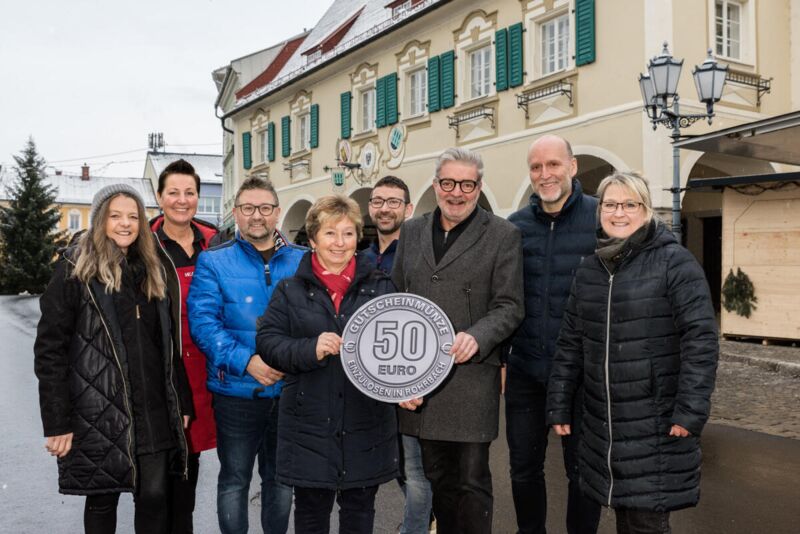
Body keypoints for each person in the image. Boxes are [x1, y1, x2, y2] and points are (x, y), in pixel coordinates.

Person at [546, 172, 719, 534]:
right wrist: (559, 403)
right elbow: (570, 343)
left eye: (629, 204)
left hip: (654, 423)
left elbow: (700, 340)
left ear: (645, 210)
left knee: (644, 521)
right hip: (601, 424)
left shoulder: (675, 263)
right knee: (623, 513)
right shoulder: (590, 269)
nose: (619, 212)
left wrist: (689, 411)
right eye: (610, 204)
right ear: (600, 211)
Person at [34, 183, 193, 534]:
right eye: (115, 216)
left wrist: (180, 399)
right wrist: (57, 421)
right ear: (100, 220)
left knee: (154, 495)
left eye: (133, 216)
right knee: (103, 499)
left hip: (152, 405)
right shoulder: (75, 269)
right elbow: (50, 349)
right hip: (100, 404)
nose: (125, 224)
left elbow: (168, 343)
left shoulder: (153, 268)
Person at [393, 147, 525, 534]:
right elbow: (397, 299)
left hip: (470, 382)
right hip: (419, 383)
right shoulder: (413, 230)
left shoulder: (503, 234)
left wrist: (478, 335)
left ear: (478, 187)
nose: (457, 192)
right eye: (448, 182)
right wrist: (399, 377)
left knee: (471, 483)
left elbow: (510, 306)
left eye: (467, 184)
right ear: (436, 185)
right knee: (436, 481)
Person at [255, 195, 399, 534]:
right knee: (310, 515)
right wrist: (311, 348)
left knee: (359, 514)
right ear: (314, 238)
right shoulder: (289, 290)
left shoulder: (380, 287)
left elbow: (400, 350)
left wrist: (405, 386)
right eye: (330, 233)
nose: (340, 243)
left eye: (348, 234)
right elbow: (269, 343)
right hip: (309, 425)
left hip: (366, 421)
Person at [187, 177, 304, 534]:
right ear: (236, 213)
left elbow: (313, 321)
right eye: (248, 208)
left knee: (282, 482)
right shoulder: (213, 262)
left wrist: (290, 361)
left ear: (277, 213)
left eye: (265, 208)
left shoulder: (303, 261)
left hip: (290, 393)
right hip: (237, 392)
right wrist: (247, 361)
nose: (257, 216)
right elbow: (204, 324)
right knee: (234, 481)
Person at [505, 135, 602, 534]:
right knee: (523, 469)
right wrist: (500, 359)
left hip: (582, 375)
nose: (545, 174)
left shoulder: (601, 218)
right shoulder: (513, 228)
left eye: (553, 165)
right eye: (536, 167)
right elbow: (502, 299)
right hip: (525, 369)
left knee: (582, 472)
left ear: (572, 167)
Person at [150, 159, 219, 533]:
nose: (182, 200)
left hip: (204, 372)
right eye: (173, 193)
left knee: (187, 474)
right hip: (161, 372)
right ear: (159, 198)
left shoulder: (215, 240)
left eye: (189, 193)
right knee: (154, 482)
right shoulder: (143, 244)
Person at [363, 175, 432, 534]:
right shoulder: (361, 258)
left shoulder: (423, 256)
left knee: (414, 469)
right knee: (385, 465)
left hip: (410, 379)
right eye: (378, 201)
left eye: (393, 201)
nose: (385, 208)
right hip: (369, 378)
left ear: (408, 208)